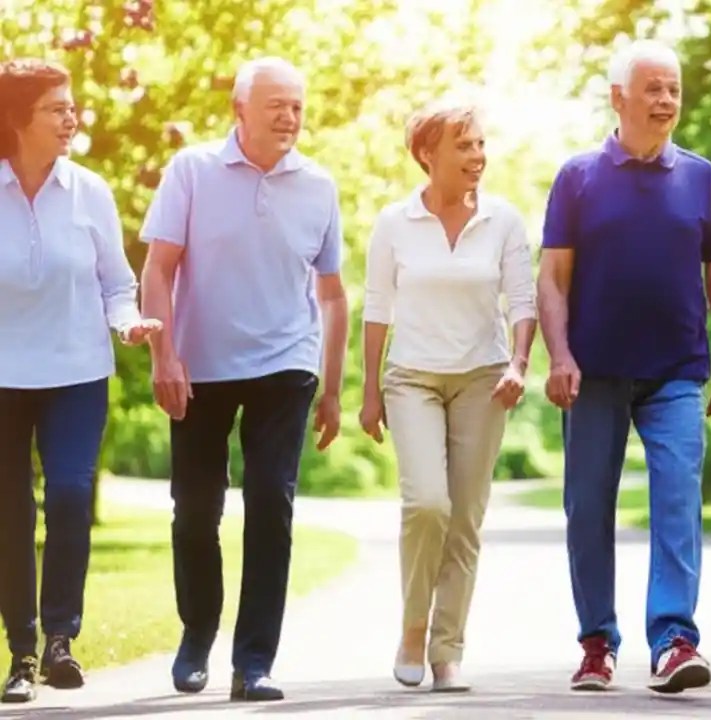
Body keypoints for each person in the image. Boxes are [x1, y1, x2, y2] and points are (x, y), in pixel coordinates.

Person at [537, 38, 711, 694]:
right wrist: (560, 353)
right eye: (653, 88)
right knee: (588, 506)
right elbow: (552, 279)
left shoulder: (702, 179)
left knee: (678, 498)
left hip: (677, 371)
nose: (666, 100)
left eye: (674, 89)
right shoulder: (578, 176)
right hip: (594, 371)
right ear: (618, 98)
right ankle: (597, 642)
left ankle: (675, 640)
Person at [139, 56, 348, 702]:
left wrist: (333, 385)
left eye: (297, 106)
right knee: (195, 511)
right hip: (199, 368)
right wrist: (163, 356)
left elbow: (334, 293)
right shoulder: (192, 171)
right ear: (240, 110)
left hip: (285, 367)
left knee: (271, 504)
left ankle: (253, 661)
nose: (290, 117)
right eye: (276, 105)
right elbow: (157, 269)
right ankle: (198, 630)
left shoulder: (319, 185)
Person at [359, 101, 536, 692]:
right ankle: (414, 627)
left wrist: (518, 364)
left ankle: (447, 650)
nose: (478, 156)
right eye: (464, 146)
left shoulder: (504, 220)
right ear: (427, 154)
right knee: (427, 505)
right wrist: (368, 390)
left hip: (483, 379)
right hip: (411, 377)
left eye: (481, 145)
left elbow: (523, 302)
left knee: (464, 521)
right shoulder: (394, 222)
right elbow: (377, 309)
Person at [0, 58, 160, 705]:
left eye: (73, 107)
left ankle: (62, 637)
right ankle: (21, 653)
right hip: (4, 377)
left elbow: (117, 282)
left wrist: (127, 323)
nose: (72, 118)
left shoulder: (89, 191)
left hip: (76, 371)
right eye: (56, 109)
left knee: (68, 494)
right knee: (10, 513)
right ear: (16, 118)